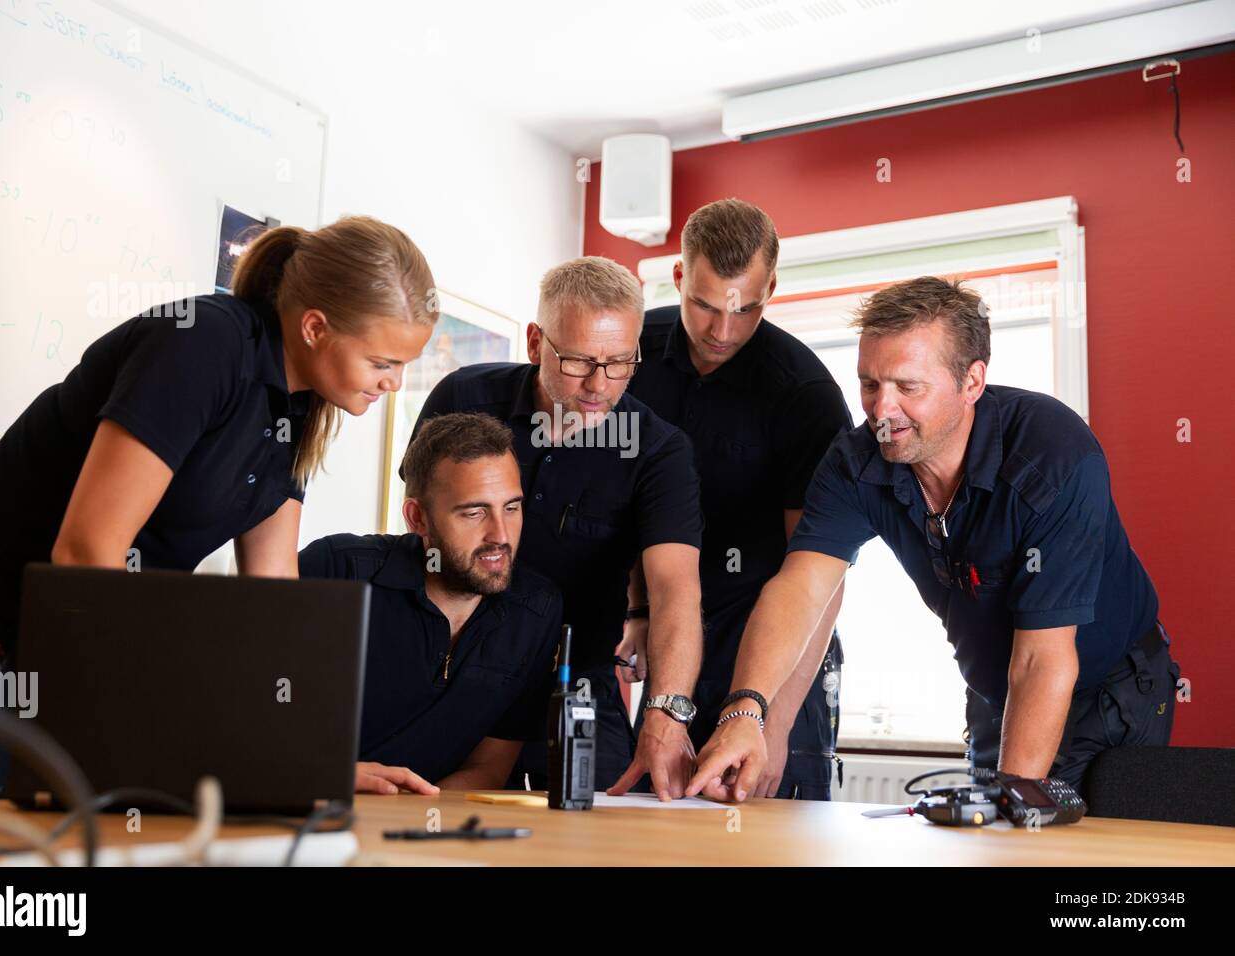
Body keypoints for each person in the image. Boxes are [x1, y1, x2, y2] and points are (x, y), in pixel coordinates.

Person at [689, 276, 1181, 802]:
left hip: (1109, 690)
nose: (881, 411)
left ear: (972, 382)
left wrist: (1014, 805)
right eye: (870, 385)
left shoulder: (1052, 455)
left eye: (908, 387)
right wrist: (751, 714)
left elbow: (1042, 659)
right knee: (995, 841)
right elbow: (801, 587)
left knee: (1069, 862)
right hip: (996, 694)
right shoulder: (856, 460)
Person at [0, 216, 437, 662]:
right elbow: (87, 551)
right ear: (314, 328)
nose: (392, 384)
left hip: (56, 638)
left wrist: (314, 741)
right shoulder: (204, 346)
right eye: (381, 363)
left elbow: (272, 590)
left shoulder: (300, 408)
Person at [411, 257, 704, 800]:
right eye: (578, 362)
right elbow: (418, 536)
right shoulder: (463, 399)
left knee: (606, 833)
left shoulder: (660, 450)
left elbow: (676, 588)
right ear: (534, 342)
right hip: (453, 672)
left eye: (620, 363)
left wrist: (667, 712)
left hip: (578, 681)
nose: (599, 385)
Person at [628, 199, 852, 799]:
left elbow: (820, 580)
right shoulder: (629, 355)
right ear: (679, 277)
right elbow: (620, 499)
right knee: (659, 818)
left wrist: (772, 724)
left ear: (771, 287)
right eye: (704, 305)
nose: (722, 331)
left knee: (766, 832)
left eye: (747, 308)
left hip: (774, 645)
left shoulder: (806, 396)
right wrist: (637, 610)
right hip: (671, 638)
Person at [299, 413, 562, 794]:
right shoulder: (336, 570)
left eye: (511, 507)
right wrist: (323, 776)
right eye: (474, 513)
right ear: (417, 517)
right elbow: (243, 716)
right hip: (311, 814)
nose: (500, 536)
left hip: (432, 833)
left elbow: (488, 769)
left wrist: (413, 824)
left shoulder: (536, 609)